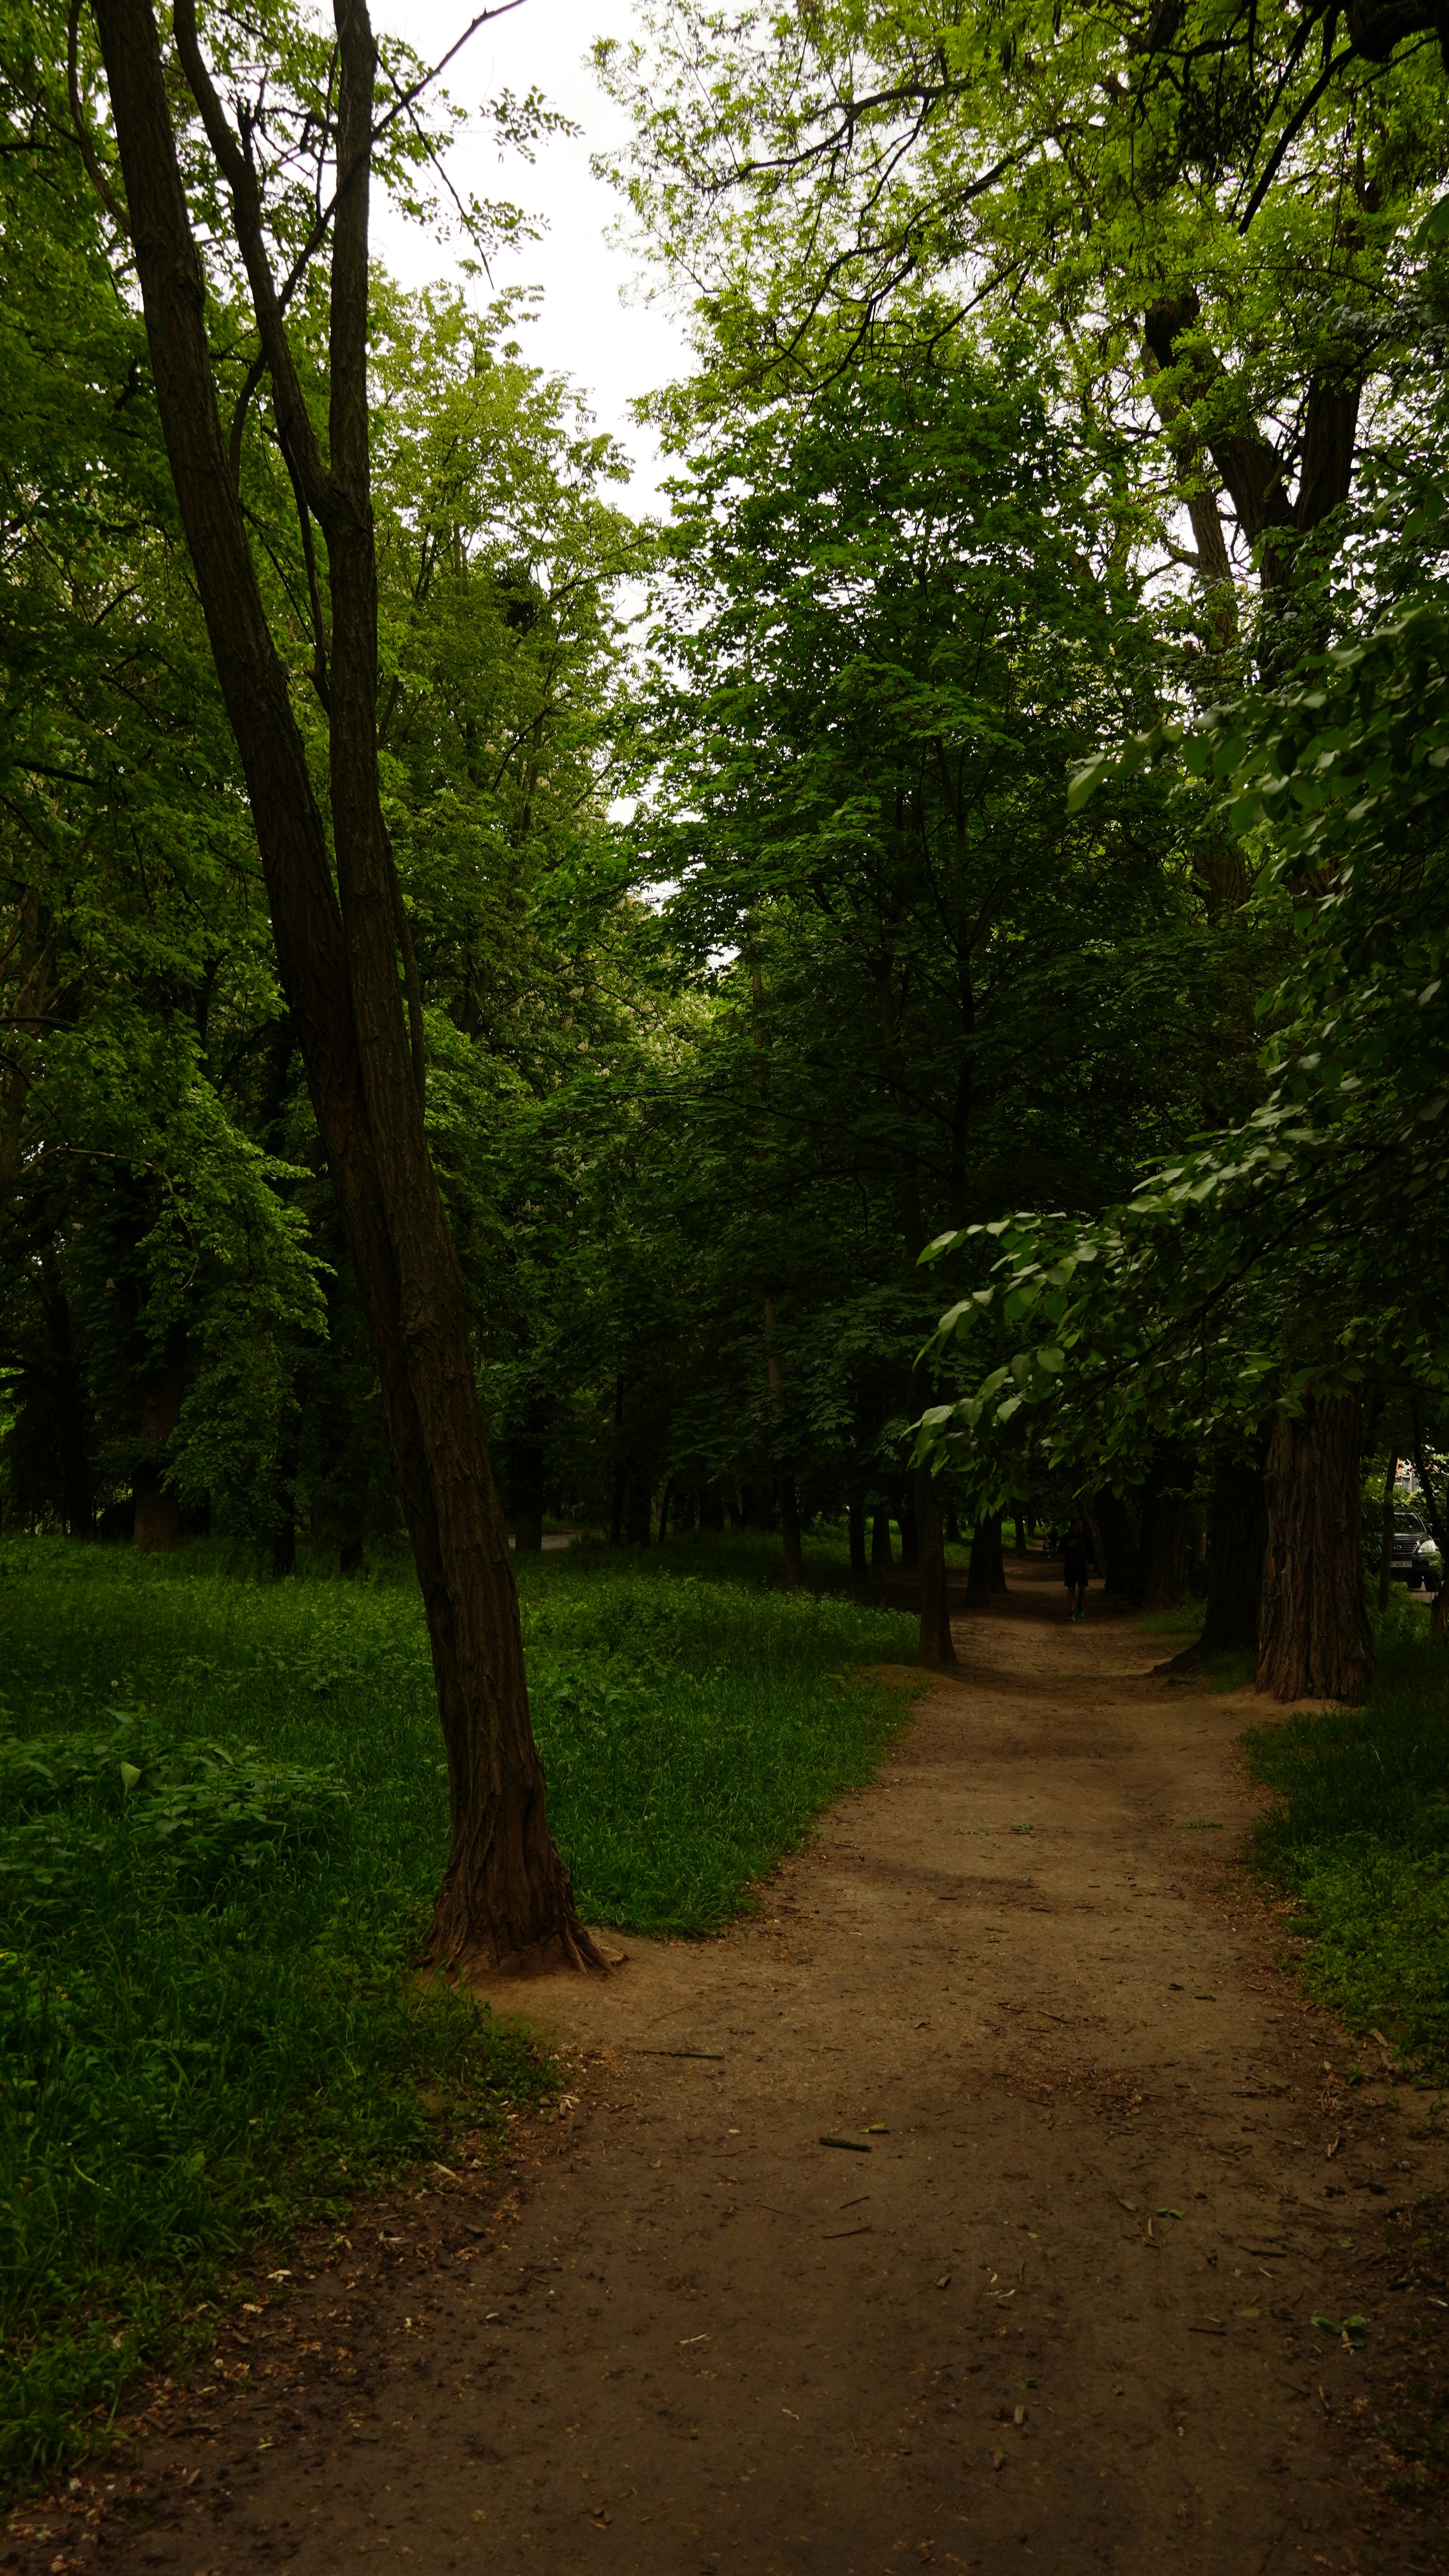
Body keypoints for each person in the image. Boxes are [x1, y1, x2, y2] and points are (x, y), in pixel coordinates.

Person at [1062, 1516, 1092, 1621]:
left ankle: (1079, 1604)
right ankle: (1071, 1611)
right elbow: (1059, 1550)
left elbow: (1090, 1550)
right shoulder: (1067, 1537)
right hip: (1070, 1567)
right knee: (1071, 1589)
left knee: (1083, 1588)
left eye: (1081, 1525)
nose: (1080, 1527)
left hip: (1082, 1567)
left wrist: (1090, 1562)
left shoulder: (1085, 1537)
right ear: (1073, 1526)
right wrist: (1068, 1545)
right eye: (1078, 1525)